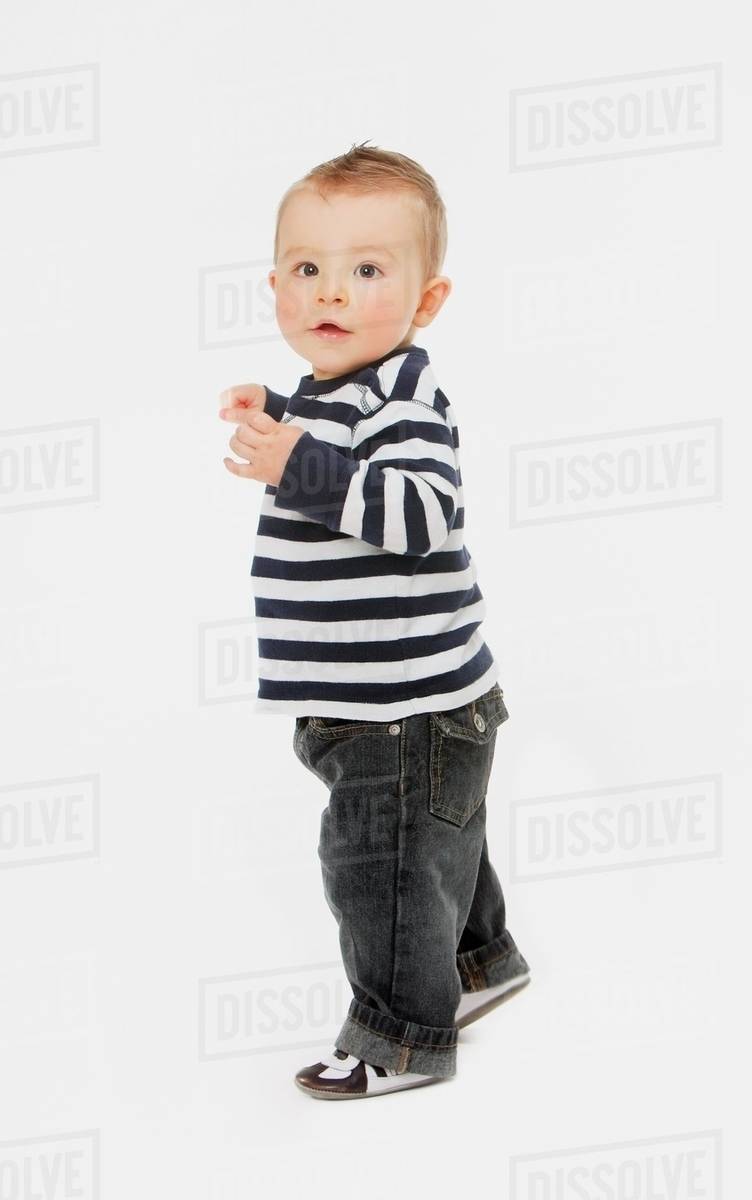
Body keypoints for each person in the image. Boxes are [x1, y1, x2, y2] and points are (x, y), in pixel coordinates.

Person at [218, 142, 531, 1100]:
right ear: (276, 284)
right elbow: (336, 442)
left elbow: (420, 511)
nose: (332, 291)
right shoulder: (339, 391)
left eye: (366, 271)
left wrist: (294, 465)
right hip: (400, 700)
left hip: (401, 708)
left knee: (380, 866)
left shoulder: (405, 397)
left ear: (426, 301)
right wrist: (280, 414)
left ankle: (399, 1037)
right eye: (308, 268)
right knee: (437, 842)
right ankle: (478, 964)